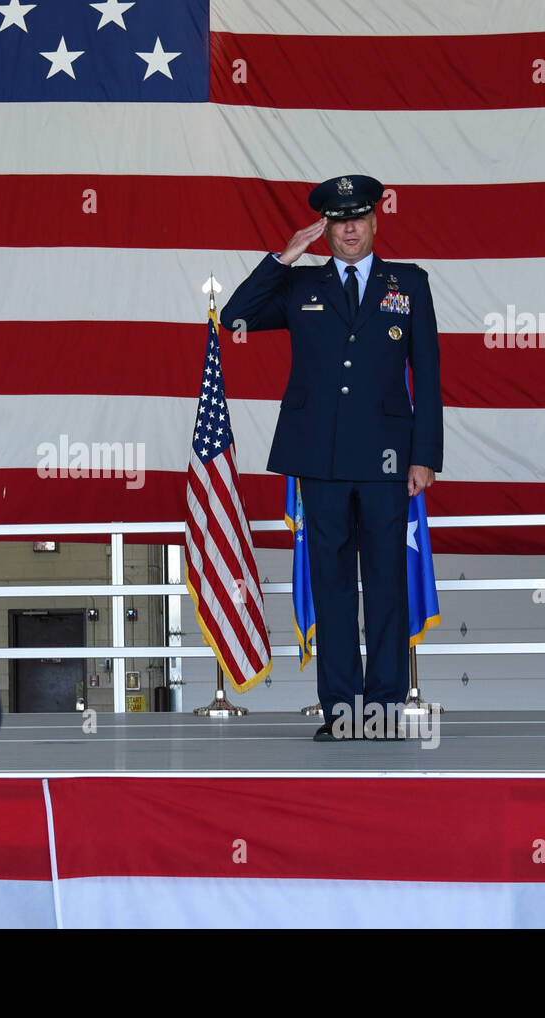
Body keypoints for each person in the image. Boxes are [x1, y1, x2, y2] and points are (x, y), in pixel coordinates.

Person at [219, 175, 443, 741]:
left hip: (389, 462)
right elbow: (235, 316)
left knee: (387, 583)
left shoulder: (408, 284)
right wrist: (284, 255)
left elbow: (431, 375)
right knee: (334, 587)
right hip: (319, 459)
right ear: (326, 229)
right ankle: (340, 711)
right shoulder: (300, 285)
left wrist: (425, 456)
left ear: (375, 222)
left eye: (359, 217)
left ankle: (385, 708)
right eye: (339, 219)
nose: (349, 228)